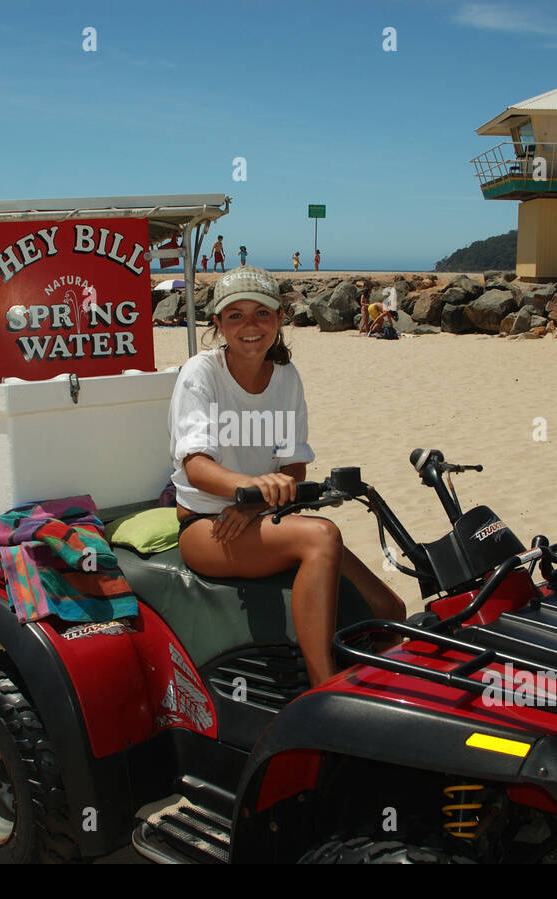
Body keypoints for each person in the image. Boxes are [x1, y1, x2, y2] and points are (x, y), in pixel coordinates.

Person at [169, 267, 405, 686]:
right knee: (322, 535)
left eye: (262, 313)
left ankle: (380, 691)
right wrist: (249, 488)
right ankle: (323, 688)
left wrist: (255, 502)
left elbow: (294, 467)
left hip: (261, 516)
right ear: (218, 323)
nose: (250, 325)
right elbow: (196, 467)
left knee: (390, 610)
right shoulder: (201, 372)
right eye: (236, 315)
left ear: (279, 318)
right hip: (208, 526)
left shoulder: (286, 377)